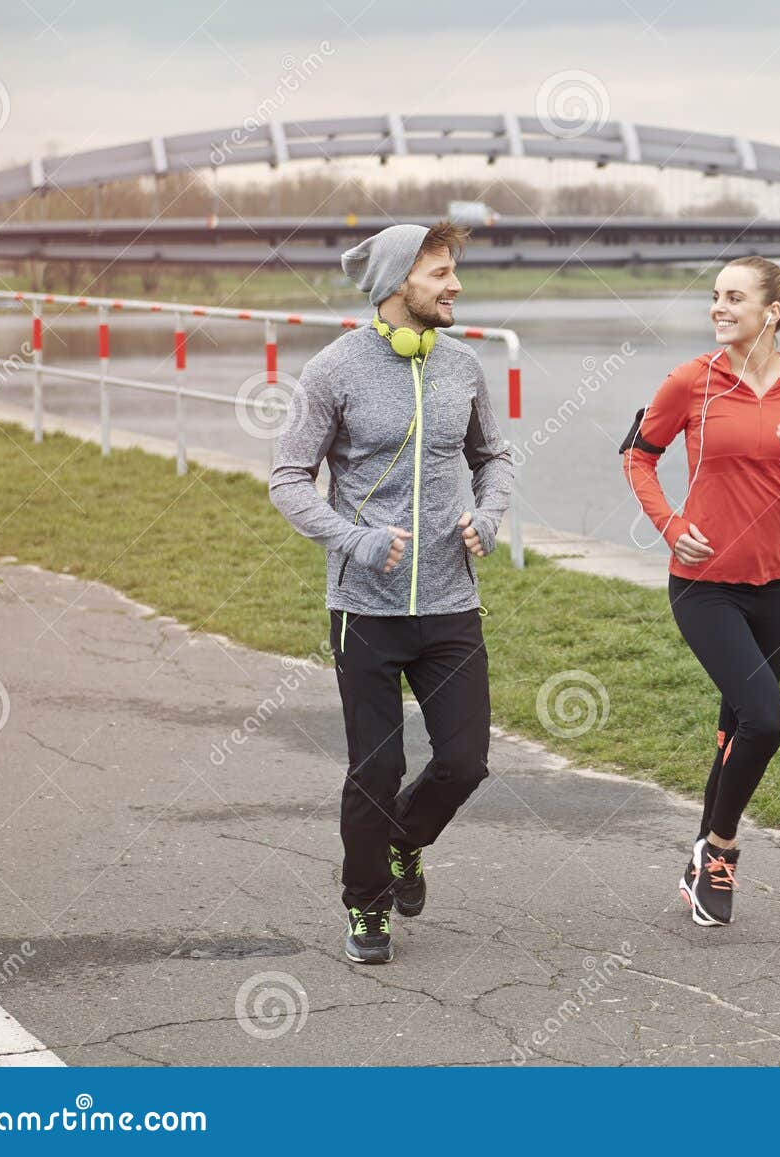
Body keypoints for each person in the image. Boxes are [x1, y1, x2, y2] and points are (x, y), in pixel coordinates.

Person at [269, 220, 516, 964]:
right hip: (365, 610)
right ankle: (367, 904)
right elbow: (287, 479)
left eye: (453, 271)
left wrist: (490, 514)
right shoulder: (333, 370)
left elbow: (494, 458)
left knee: (465, 761)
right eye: (440, 273)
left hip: (450, 604)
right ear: (396, 282)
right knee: (374, 767)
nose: (456, 286)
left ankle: (404, 841)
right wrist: (355, 538)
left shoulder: (464, 366)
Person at [621, 255, 780, 927]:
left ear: (771, 313)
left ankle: (699, 864)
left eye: (734, 297)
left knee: (735, 727)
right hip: (702, 586)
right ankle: (721, 849)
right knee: (766, 718)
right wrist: (669, 523)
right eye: (715, 296)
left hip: (774, 588)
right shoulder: (692, 381)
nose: (719, 307)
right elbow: (638, 453)